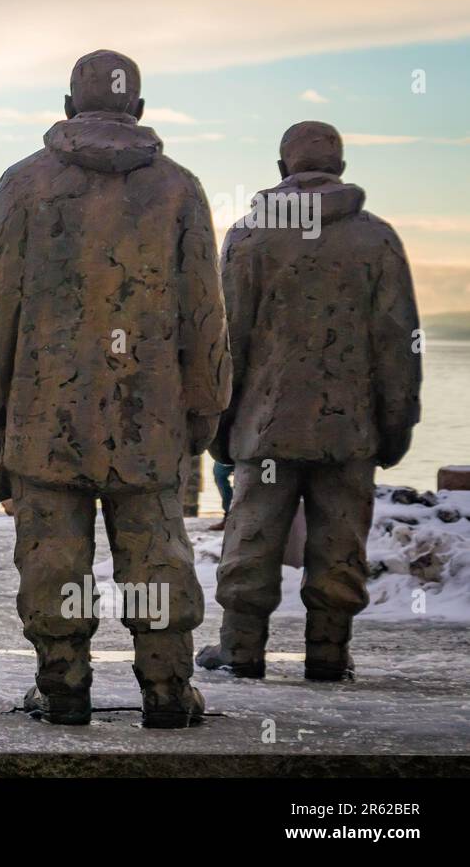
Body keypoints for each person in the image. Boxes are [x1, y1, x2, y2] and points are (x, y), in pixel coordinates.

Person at [0, 50, 231, 728]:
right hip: (153, 416)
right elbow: (205, 316)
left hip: (44, 414)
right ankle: (168, 688)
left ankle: (63, 687)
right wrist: (203, 412)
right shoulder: (180, 189)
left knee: (53, 557)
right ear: (139, 110)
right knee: (159, 552)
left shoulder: (22, 184)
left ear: (67, 107)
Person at [198, 122, 421, 681]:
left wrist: (220, 427)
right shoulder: (377, 240)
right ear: (340, 168)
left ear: (281, 172)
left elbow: (226, 343)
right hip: (350, 430)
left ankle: (241, 649)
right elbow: (397, 343)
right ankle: (328, 651)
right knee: (341, 541)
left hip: (264, 425)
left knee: (252, 534)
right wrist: (395, 427)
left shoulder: (249, 237)